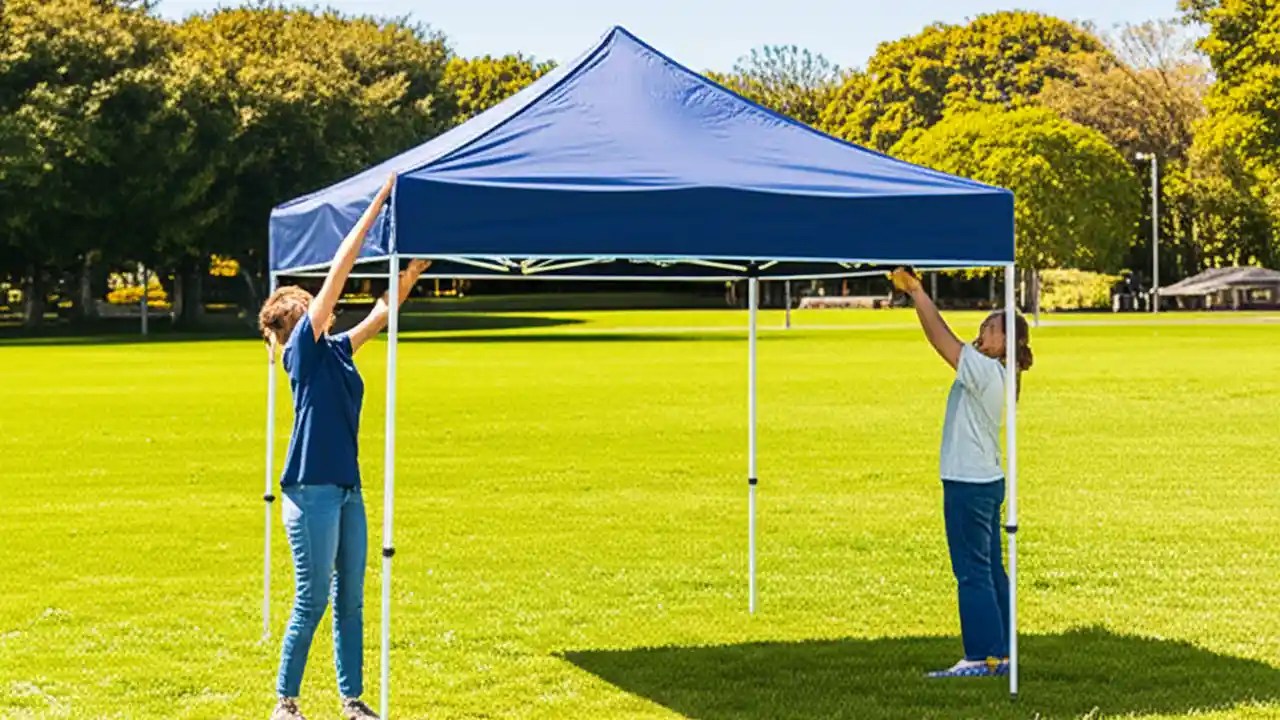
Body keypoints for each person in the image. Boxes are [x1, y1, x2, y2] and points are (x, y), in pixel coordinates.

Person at [258, 175, 430, 720]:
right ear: (299, 320)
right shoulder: (301, 353)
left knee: (351, 600)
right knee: (314, 599)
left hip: (347, 490)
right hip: (310, 493)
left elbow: (380, 315)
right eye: (311, 307)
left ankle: (352, 702)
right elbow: (340, 268)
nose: (324, 307)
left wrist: (409, 275)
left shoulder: (335, 348)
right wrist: (378, 202)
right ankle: (286, 704)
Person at [889, 268, 1033, 679]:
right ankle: (1000, 654)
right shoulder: (1000, 373)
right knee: (988, 569)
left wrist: (917, 292)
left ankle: (981, 657)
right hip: (983, 481)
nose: (982, 333)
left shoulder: (987, 371)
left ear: (1007, 343)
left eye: (990, 329)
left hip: (969, 484)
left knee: (971, 571)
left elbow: (941, 341)